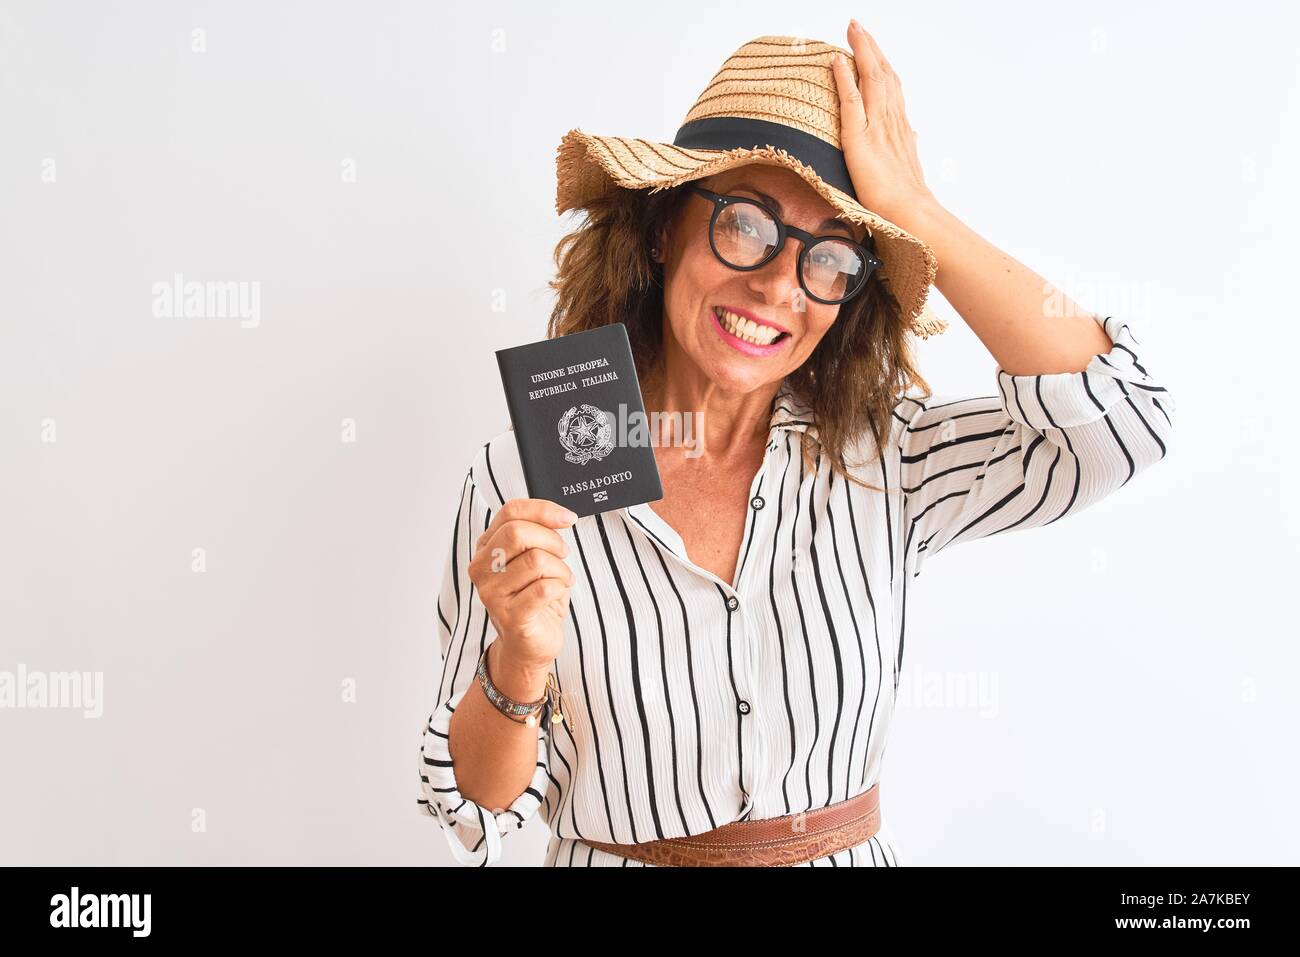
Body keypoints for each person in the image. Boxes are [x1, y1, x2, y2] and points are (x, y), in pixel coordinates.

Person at [417, 25, 1175, 866]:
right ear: (666, 228)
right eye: (747, 225)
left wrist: (917, 212)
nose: (779, 285)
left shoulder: (886, 461)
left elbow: (1124, 421)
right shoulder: (528, 474)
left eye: (833, 258)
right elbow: (473, 806)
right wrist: (517, 662)